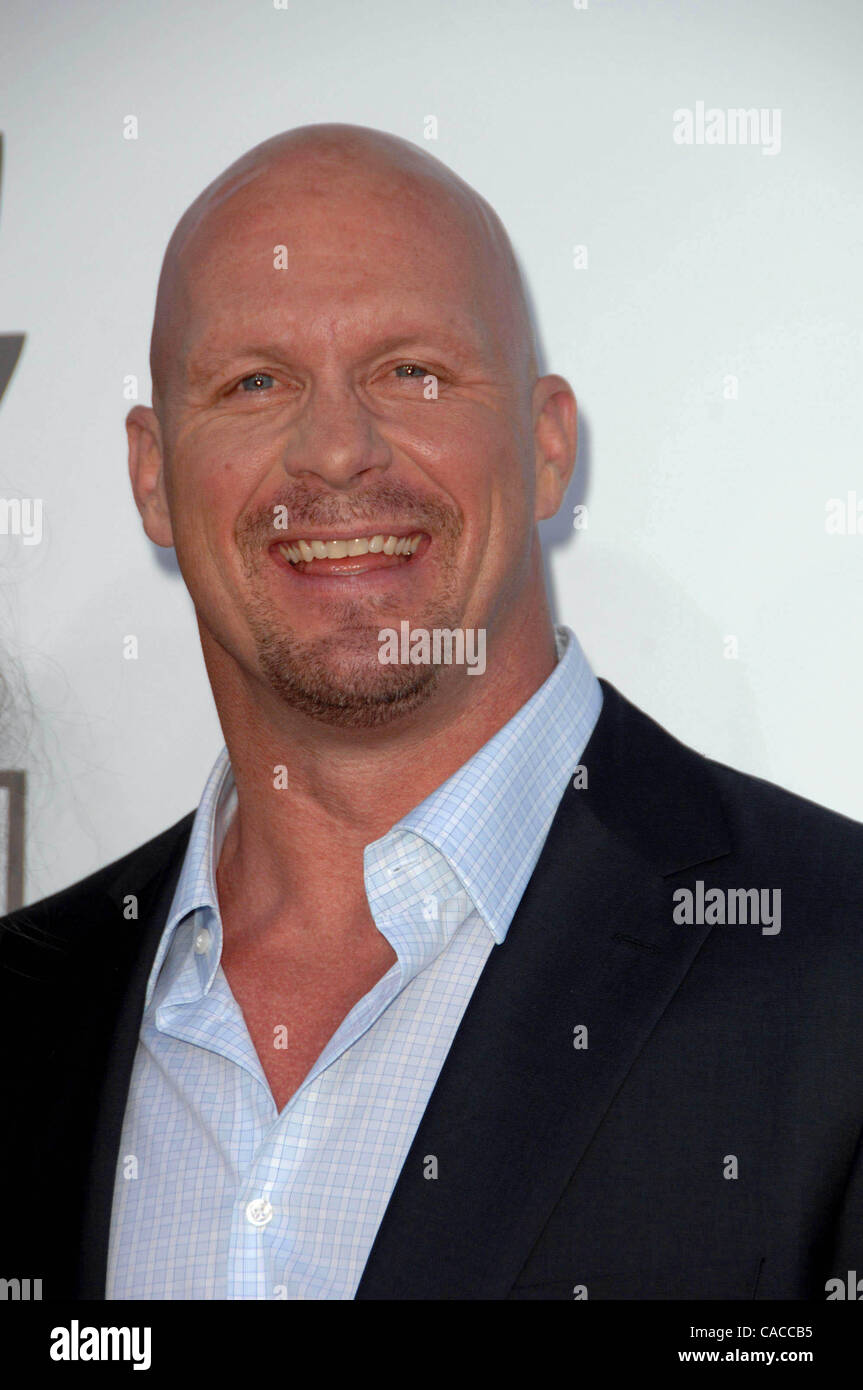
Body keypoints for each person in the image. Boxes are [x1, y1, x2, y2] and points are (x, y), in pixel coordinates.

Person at [2, 123, 862, 1302]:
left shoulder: (834, 963)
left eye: (411, 371)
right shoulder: (21, 1008)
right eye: (255, 382)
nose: (336, 451)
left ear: (547, 443)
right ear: (152, 475)